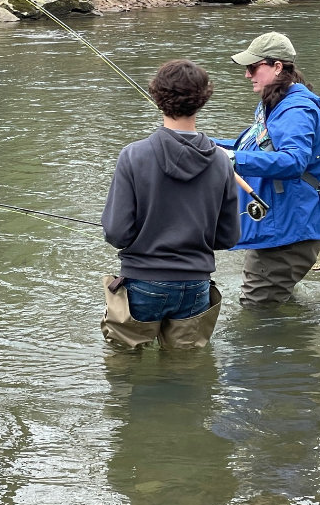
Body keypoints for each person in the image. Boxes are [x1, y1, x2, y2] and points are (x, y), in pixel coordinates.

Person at [100, 59, 241, 349]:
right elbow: (228, 237)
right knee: (187, 370)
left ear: (157, 96)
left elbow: (116, 233)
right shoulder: (221, 161)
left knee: (125, 366)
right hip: (196, 285)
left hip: (142, 282)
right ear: (203, 99)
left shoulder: (133, 155)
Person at [213, 31, 320, 307]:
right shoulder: (275, 102)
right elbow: (253, 147)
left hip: (288, 233)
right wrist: (204, 144)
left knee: (257, 310)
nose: (247, 74)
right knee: (272, 303)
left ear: (277, 67)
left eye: (253, 67)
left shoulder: (297, 108)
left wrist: (232, 160)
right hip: (283, 227)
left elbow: (293, 162)